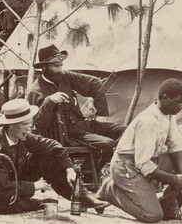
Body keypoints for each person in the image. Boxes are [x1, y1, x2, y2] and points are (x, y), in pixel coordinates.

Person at [96, 79, 182, 223]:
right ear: (165, 98)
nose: (181, 106)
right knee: (152, 215)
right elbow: (143, 164)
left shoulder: (169, 114)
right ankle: (110, 190)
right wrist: (173, 179)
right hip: (127, 167)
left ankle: (168, 207)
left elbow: (175, 146)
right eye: (177, 102)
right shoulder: (149, 121)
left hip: (147, 161)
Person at [0, 98, 109, 215]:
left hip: (14, 182)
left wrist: (69, 169)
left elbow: (54, 146)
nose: (29, 128)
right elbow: (1, 187)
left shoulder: (23, 137)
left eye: (30, 123)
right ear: (11, 125)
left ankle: (83, 197)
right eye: (25, 124)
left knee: (49, 156)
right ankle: (34, 203)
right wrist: (35, 186)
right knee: (4, 204)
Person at [26, 44, 126, 174]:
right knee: (108, 144)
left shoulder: (65, 77)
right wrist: (49, 102)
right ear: (44, 67)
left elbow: (95, 83)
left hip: (83, 125)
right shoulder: (36, 92)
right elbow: (40, 126)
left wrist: (101, 114)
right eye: (56, 66)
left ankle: (88, 170)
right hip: (66, 135)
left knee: (124, 131)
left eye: (61, 65)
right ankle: (88, 175)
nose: (60, 69)